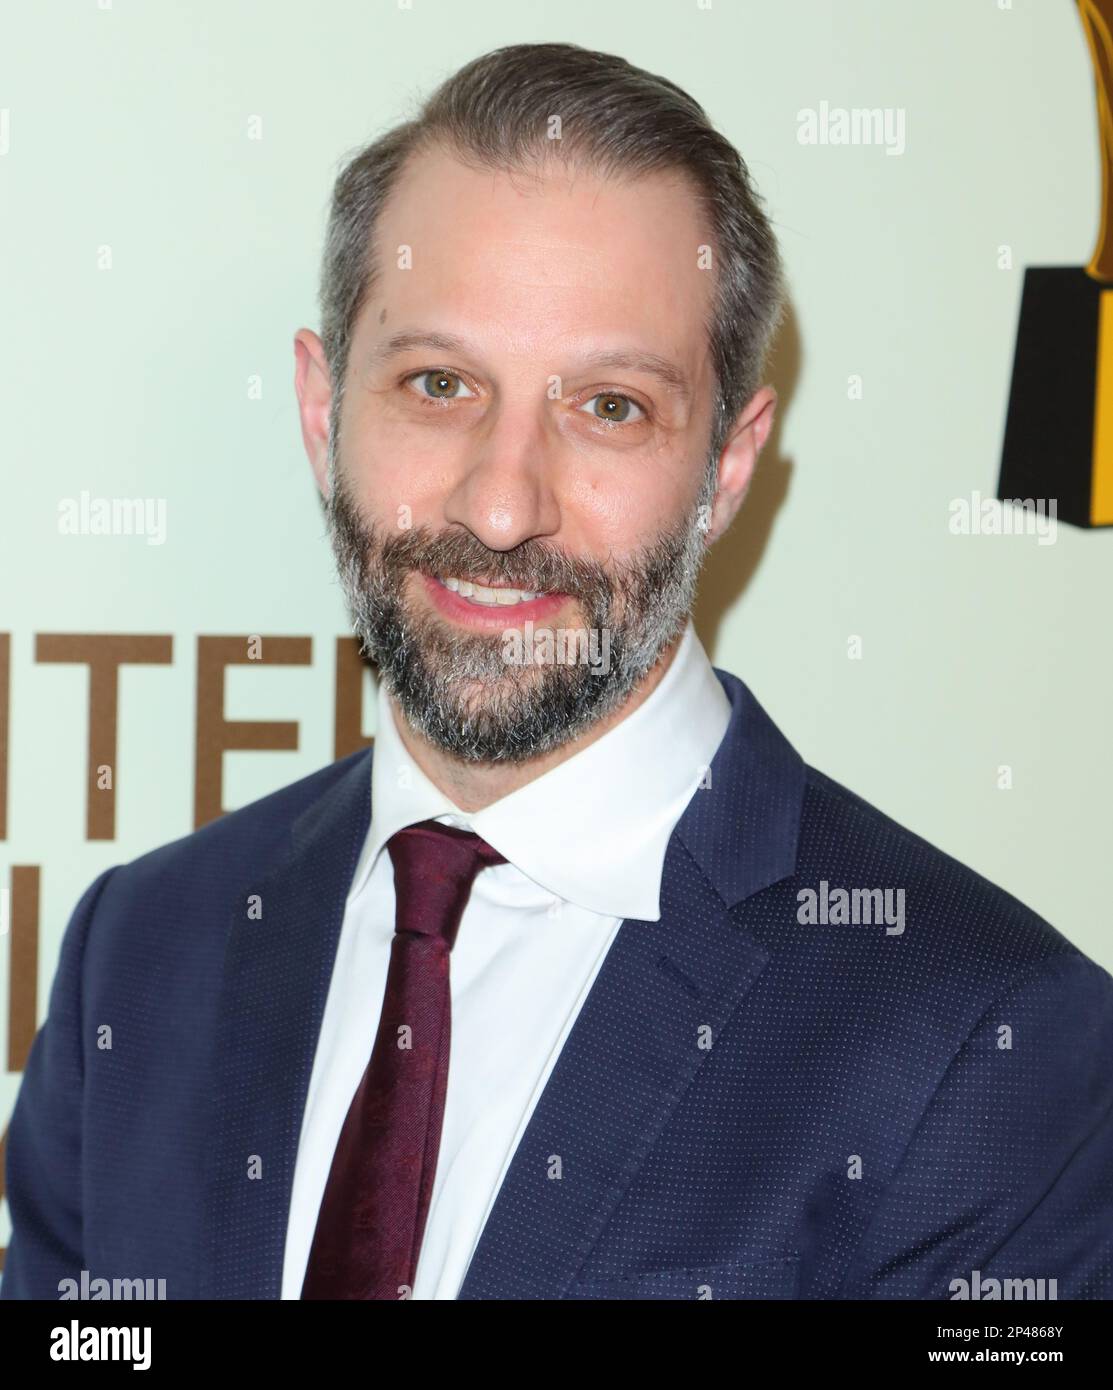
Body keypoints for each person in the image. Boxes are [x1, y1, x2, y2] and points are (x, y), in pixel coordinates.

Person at [4, 42, 1111, 1302]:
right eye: (438, 383)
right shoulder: (143, 953)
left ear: (729, 466)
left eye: (610, 407)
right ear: (324, 412)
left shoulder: (988, 1044)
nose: (500, 505)